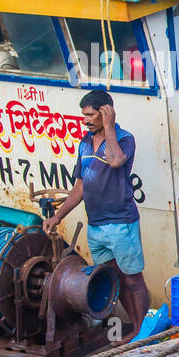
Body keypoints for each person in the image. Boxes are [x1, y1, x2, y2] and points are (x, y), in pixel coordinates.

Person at [43, 90, 150, 338]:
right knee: (116, 279)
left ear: (105, 112)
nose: (86, 120)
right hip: (96, 226)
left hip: (121, 222)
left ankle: (143, 332)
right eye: (84, 115)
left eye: (91, 115)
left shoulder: (124, 139)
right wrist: (58, 216)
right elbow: (79, 186)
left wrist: (110, 126)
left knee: (134, 280)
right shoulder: (83, 143)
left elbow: (115, 161)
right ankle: (135, 329)